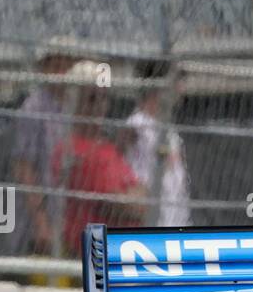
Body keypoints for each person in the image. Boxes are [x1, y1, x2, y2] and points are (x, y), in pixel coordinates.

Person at [50, 60, 147, 255]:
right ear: (74, 102)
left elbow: (143, 197)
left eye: (104, 98)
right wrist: (133, 198)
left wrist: (135, 199)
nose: (100, 106)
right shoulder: (73, 150)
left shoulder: (106, 148)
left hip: (121, 253)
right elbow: (115, 205)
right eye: (92, 99)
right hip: (94, 255)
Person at [11, 46, 76, 254]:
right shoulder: (33, 109)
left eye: (67, 66)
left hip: (69, 218)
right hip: (42, 222)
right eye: (56, 66)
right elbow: (25, 168)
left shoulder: (74, 106)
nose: (62, 72)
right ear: (43, 69)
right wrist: (41, 223)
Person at [124, 60, 190, 228]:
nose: (181, 90)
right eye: (177, 82)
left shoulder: (167, 128)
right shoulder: (137, 124)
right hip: (150, 225)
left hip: (174, 223)